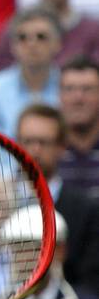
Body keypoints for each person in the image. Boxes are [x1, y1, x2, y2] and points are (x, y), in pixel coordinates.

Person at [17, 104, 99, 297]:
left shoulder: (87, 210)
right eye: (27, 141)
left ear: (61, 147)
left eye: (43, 142)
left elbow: (90, 284)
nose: (34, 150)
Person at [0, 5, 62, 136]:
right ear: (13, 46)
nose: (32, 44)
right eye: (22, 37)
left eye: (41, 36)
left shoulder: (71, 87)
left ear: (58, 43)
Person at [58, 56, 99, 199]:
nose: (78, 98)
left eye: (87, 89)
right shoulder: (46, 150)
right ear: (59, 96)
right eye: (69, 89)